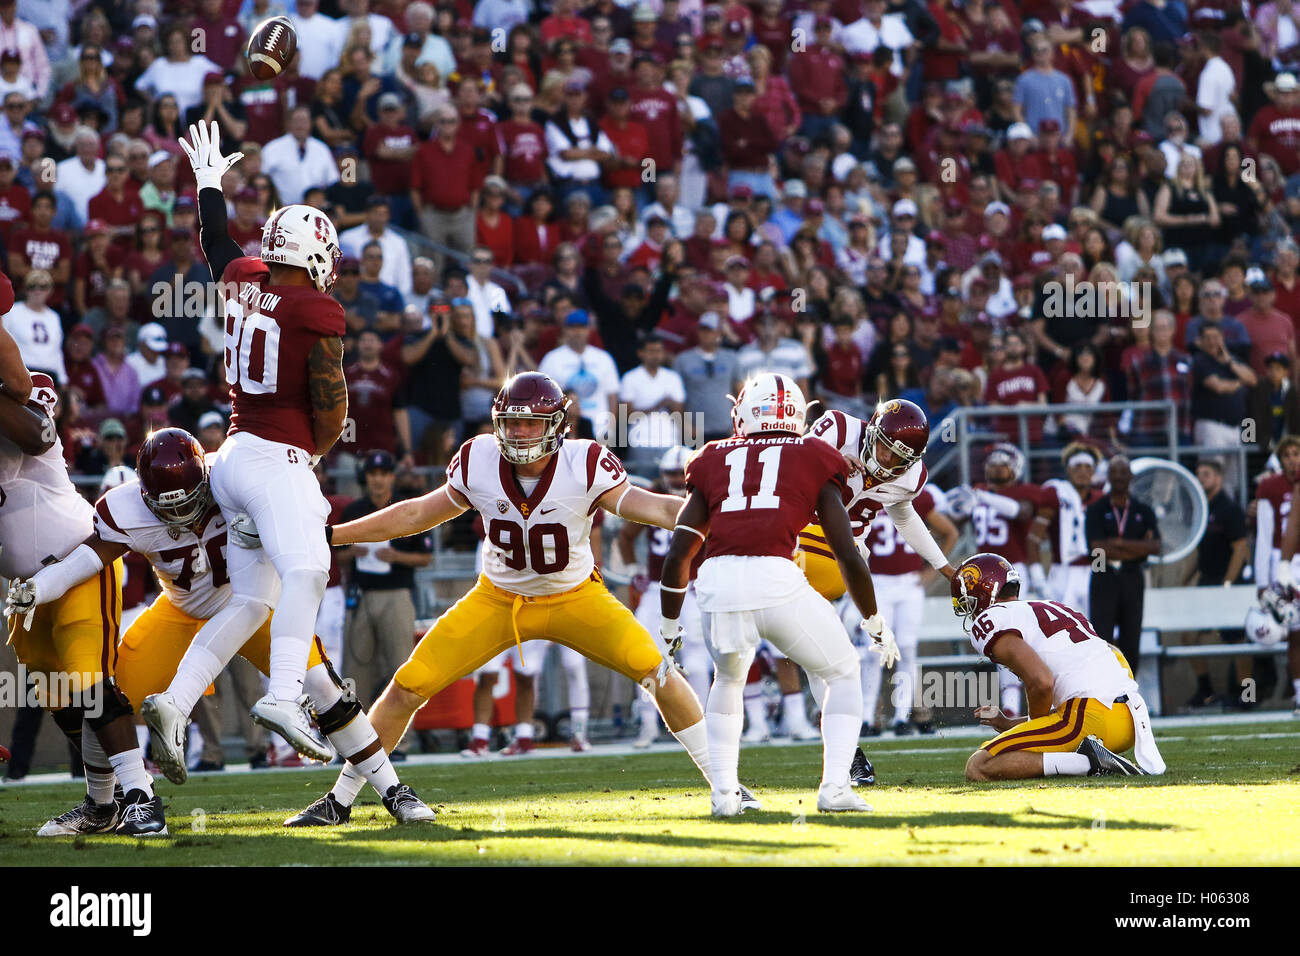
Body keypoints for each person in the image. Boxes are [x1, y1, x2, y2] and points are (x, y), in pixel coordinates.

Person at [288, 372, 748, 824]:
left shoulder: (584, 462)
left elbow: (659, 508)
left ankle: (726, 783)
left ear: (557, 426)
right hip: (497, 598)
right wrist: (335, 534)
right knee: (408, 686)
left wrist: (730, 521)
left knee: (658, 673)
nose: (519, 431)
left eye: (531, 422)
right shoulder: (479, 458)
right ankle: (339, 800)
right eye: (511, 421)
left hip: (575, 597)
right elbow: (415, 514)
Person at [9, 429, 434, 827]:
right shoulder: (126, 510)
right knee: (106, 705)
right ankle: (102, 805)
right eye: (166, 506)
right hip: (179, 611)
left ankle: (394, 790)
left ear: (206, 479)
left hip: (247, 605)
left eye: (185, 501)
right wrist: (40, 587)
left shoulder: (234, 480)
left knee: (323, 685)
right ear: (144, 494)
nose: (179, 513)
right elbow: (88, 558)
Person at [140, 121, 349, 784]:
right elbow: (332, 408)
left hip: (227, 454)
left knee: (253, 602)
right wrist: (310, 457)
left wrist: (208, 184)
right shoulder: (315, 310)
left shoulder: (243, 280)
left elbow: (217, 243)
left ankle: (173, 704)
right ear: (316, 254)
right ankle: (286, 697)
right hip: (273, 460)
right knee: (310, 568)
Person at [661, 372, 898, 816]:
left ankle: (725, 795)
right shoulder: (815, 453)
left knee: (727, 680)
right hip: (776, 577)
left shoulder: (711, 456)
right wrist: (873, 620)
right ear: (798, 413)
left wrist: (670, 623)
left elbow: (679, 553)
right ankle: (835, 787)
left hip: (716, 581)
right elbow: (847, 554)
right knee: (843, 672)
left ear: (743, 413)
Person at [0, 370, 165, 835]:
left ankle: (141, 795)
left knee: (89, 682)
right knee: (59, 697)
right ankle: (101, 804)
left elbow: (36, 435)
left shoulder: (30, 397)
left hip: (79, 565)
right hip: (27, 590)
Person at [952, 553, 1165, 780]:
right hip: (1130, 721)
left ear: (985, 595)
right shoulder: (1054, 607)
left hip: (1089, 719)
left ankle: (1089, 763)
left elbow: (1041, 682)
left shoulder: (992, 619)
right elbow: (1114, 654)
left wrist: (1034, 727)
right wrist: (1010, 724)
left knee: (979, 766)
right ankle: (1093, 758)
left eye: (969, 604)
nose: (971, 613)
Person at [338, 449, 432, 715]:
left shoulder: (407, 508)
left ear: (392, 477)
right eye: (372, 474)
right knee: (355, 669)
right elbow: (337, 555)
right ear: (364, 478)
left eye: (383, 474)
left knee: (400, 668)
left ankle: (399, 742)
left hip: (397, 595)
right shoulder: (354, 511)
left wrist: (396, 556)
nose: (378, 480)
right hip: (362, 595)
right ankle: (356, 738)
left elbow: (426, 558)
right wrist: (352, 552)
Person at [1183, 459, 1250, 710]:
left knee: (1237, 639)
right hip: (1205, 581)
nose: (1201, 479)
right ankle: (1206, 690)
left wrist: (1227, 584)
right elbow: (1197, 553)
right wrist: (1183, 581)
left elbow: (1240, 548)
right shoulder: (1200, 509)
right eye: (1198, 474)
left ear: (1219, 478)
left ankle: (1246, 694)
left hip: (1226, 583)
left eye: (1207, 474)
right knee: (1188, 634)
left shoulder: (1229, 509)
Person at [1085, 455, 1162, 671]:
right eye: (1114, 472)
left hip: (1132, 577)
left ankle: (1129, 693)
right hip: (1103, 575)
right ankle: (1103, 692)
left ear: (1131, 476)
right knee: (1101, 637)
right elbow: (1097, 549)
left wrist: (1117, 544)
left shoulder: (1143, 510)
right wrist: (1137, 547)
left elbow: (1154, 547)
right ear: (1108, 476)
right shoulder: (1096, 509)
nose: (1118, 477)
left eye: (1123, 472)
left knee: (1131, 636)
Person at [1028, 442, 1104, 611]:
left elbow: (1103, 542)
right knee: (1060, 630)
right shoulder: (1056, 494)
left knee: (1099, 629)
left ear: (1093, 471)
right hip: (1063, 571)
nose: (1083, 471)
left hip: (1092, 570)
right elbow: (1033, 539)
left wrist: (1101, 571)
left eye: (1087, 467)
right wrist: (1038, 577)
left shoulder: (1100, 499)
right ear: (1068, 470)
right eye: (1077, 466)